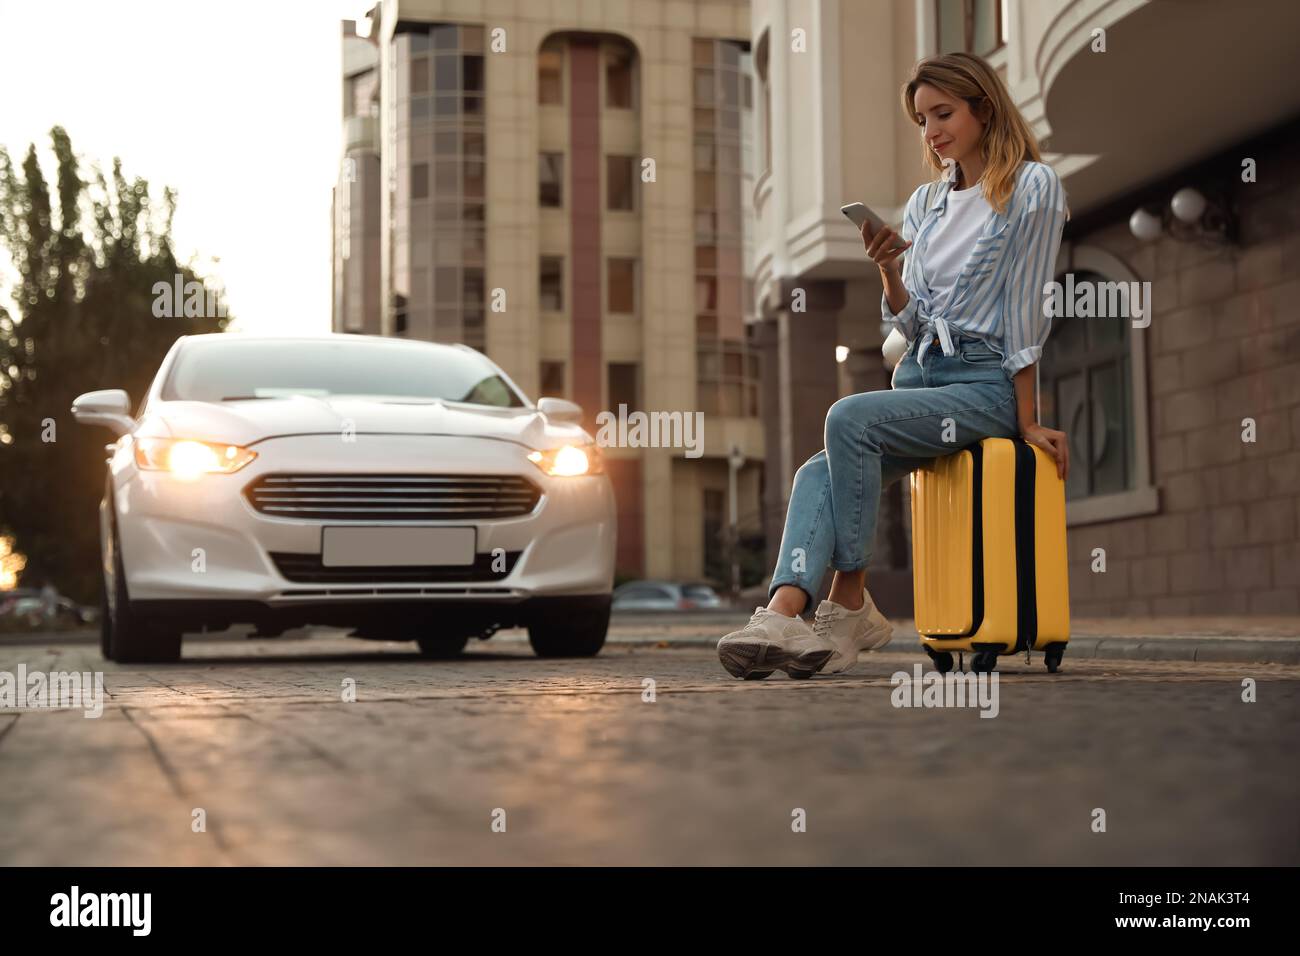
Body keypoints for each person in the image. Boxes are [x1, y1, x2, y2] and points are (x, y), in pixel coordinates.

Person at [718, 52, 1071, 680]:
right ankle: (781, 612)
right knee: (814, 473)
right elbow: (907, 324)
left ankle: (850, 598)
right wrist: (886, 267)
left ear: (983, 109)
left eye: (943, 113)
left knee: (848, 416)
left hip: (982, 386)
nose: (931, 131)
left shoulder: (1032, 188)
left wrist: (1026, 421)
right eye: (921, 119)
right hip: (921, 382)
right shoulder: (926, 205)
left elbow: (1027, 313)